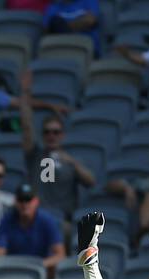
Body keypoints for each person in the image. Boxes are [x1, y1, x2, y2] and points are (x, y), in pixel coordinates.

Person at [19, 73, 96, 225]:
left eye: (56, 132)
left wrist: (73, 163)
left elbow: (91, 181)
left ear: (62, 135)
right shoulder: (35, 155)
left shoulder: (72, 160)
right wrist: (25, 93)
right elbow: (26, 125)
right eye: (47, 132)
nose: (51, 136)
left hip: (63, 220)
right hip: (36, 219)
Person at [0, 183, 66, 279]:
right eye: (21, 200)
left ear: (36, 201)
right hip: (12, 273)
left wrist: (38, 265)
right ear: (16, 202)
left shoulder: (47, 221)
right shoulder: (7, 221)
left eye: (28, 200)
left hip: (40, 277)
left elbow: (60, 255)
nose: (24, 204)